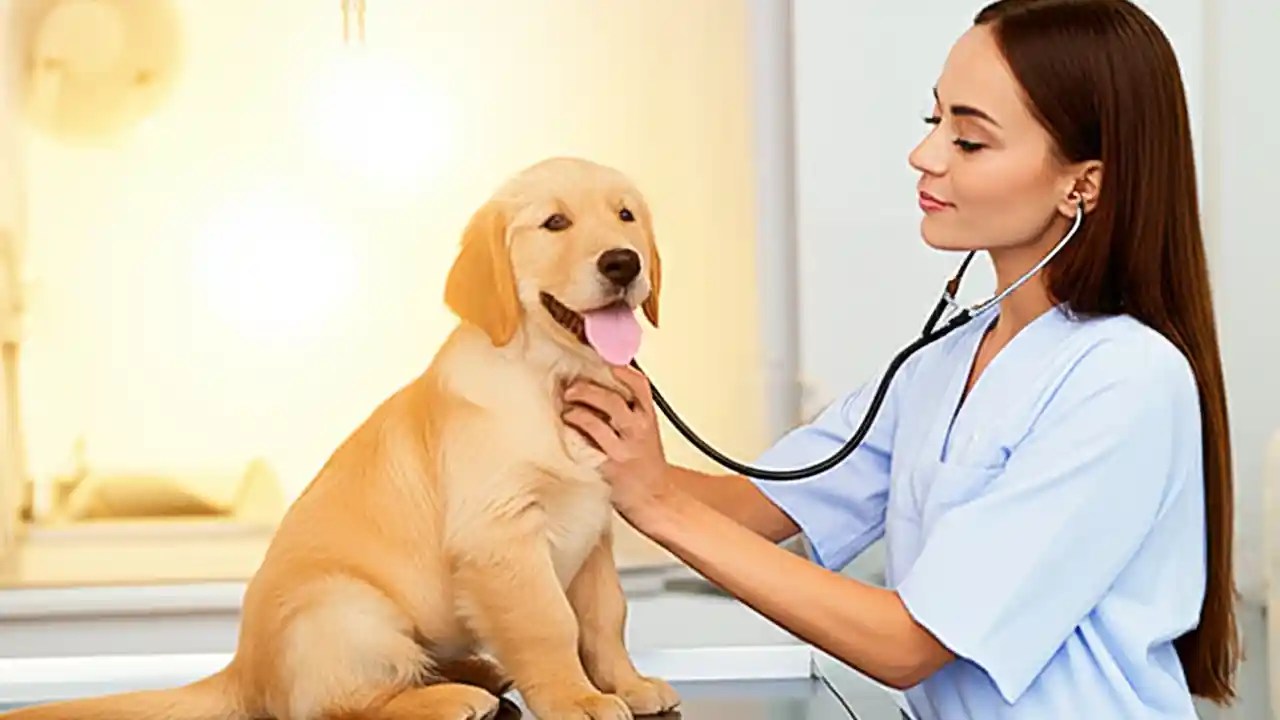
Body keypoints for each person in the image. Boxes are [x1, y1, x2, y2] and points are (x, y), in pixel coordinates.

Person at [559, 0, 1240, 717]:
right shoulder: (942, 363)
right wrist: (577, 431)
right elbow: (759, 508)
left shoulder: (1125, 381)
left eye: (969, 140)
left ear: (1084, 182)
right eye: (934, 122)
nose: (926, 155)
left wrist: (656, 502)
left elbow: (908, 642)